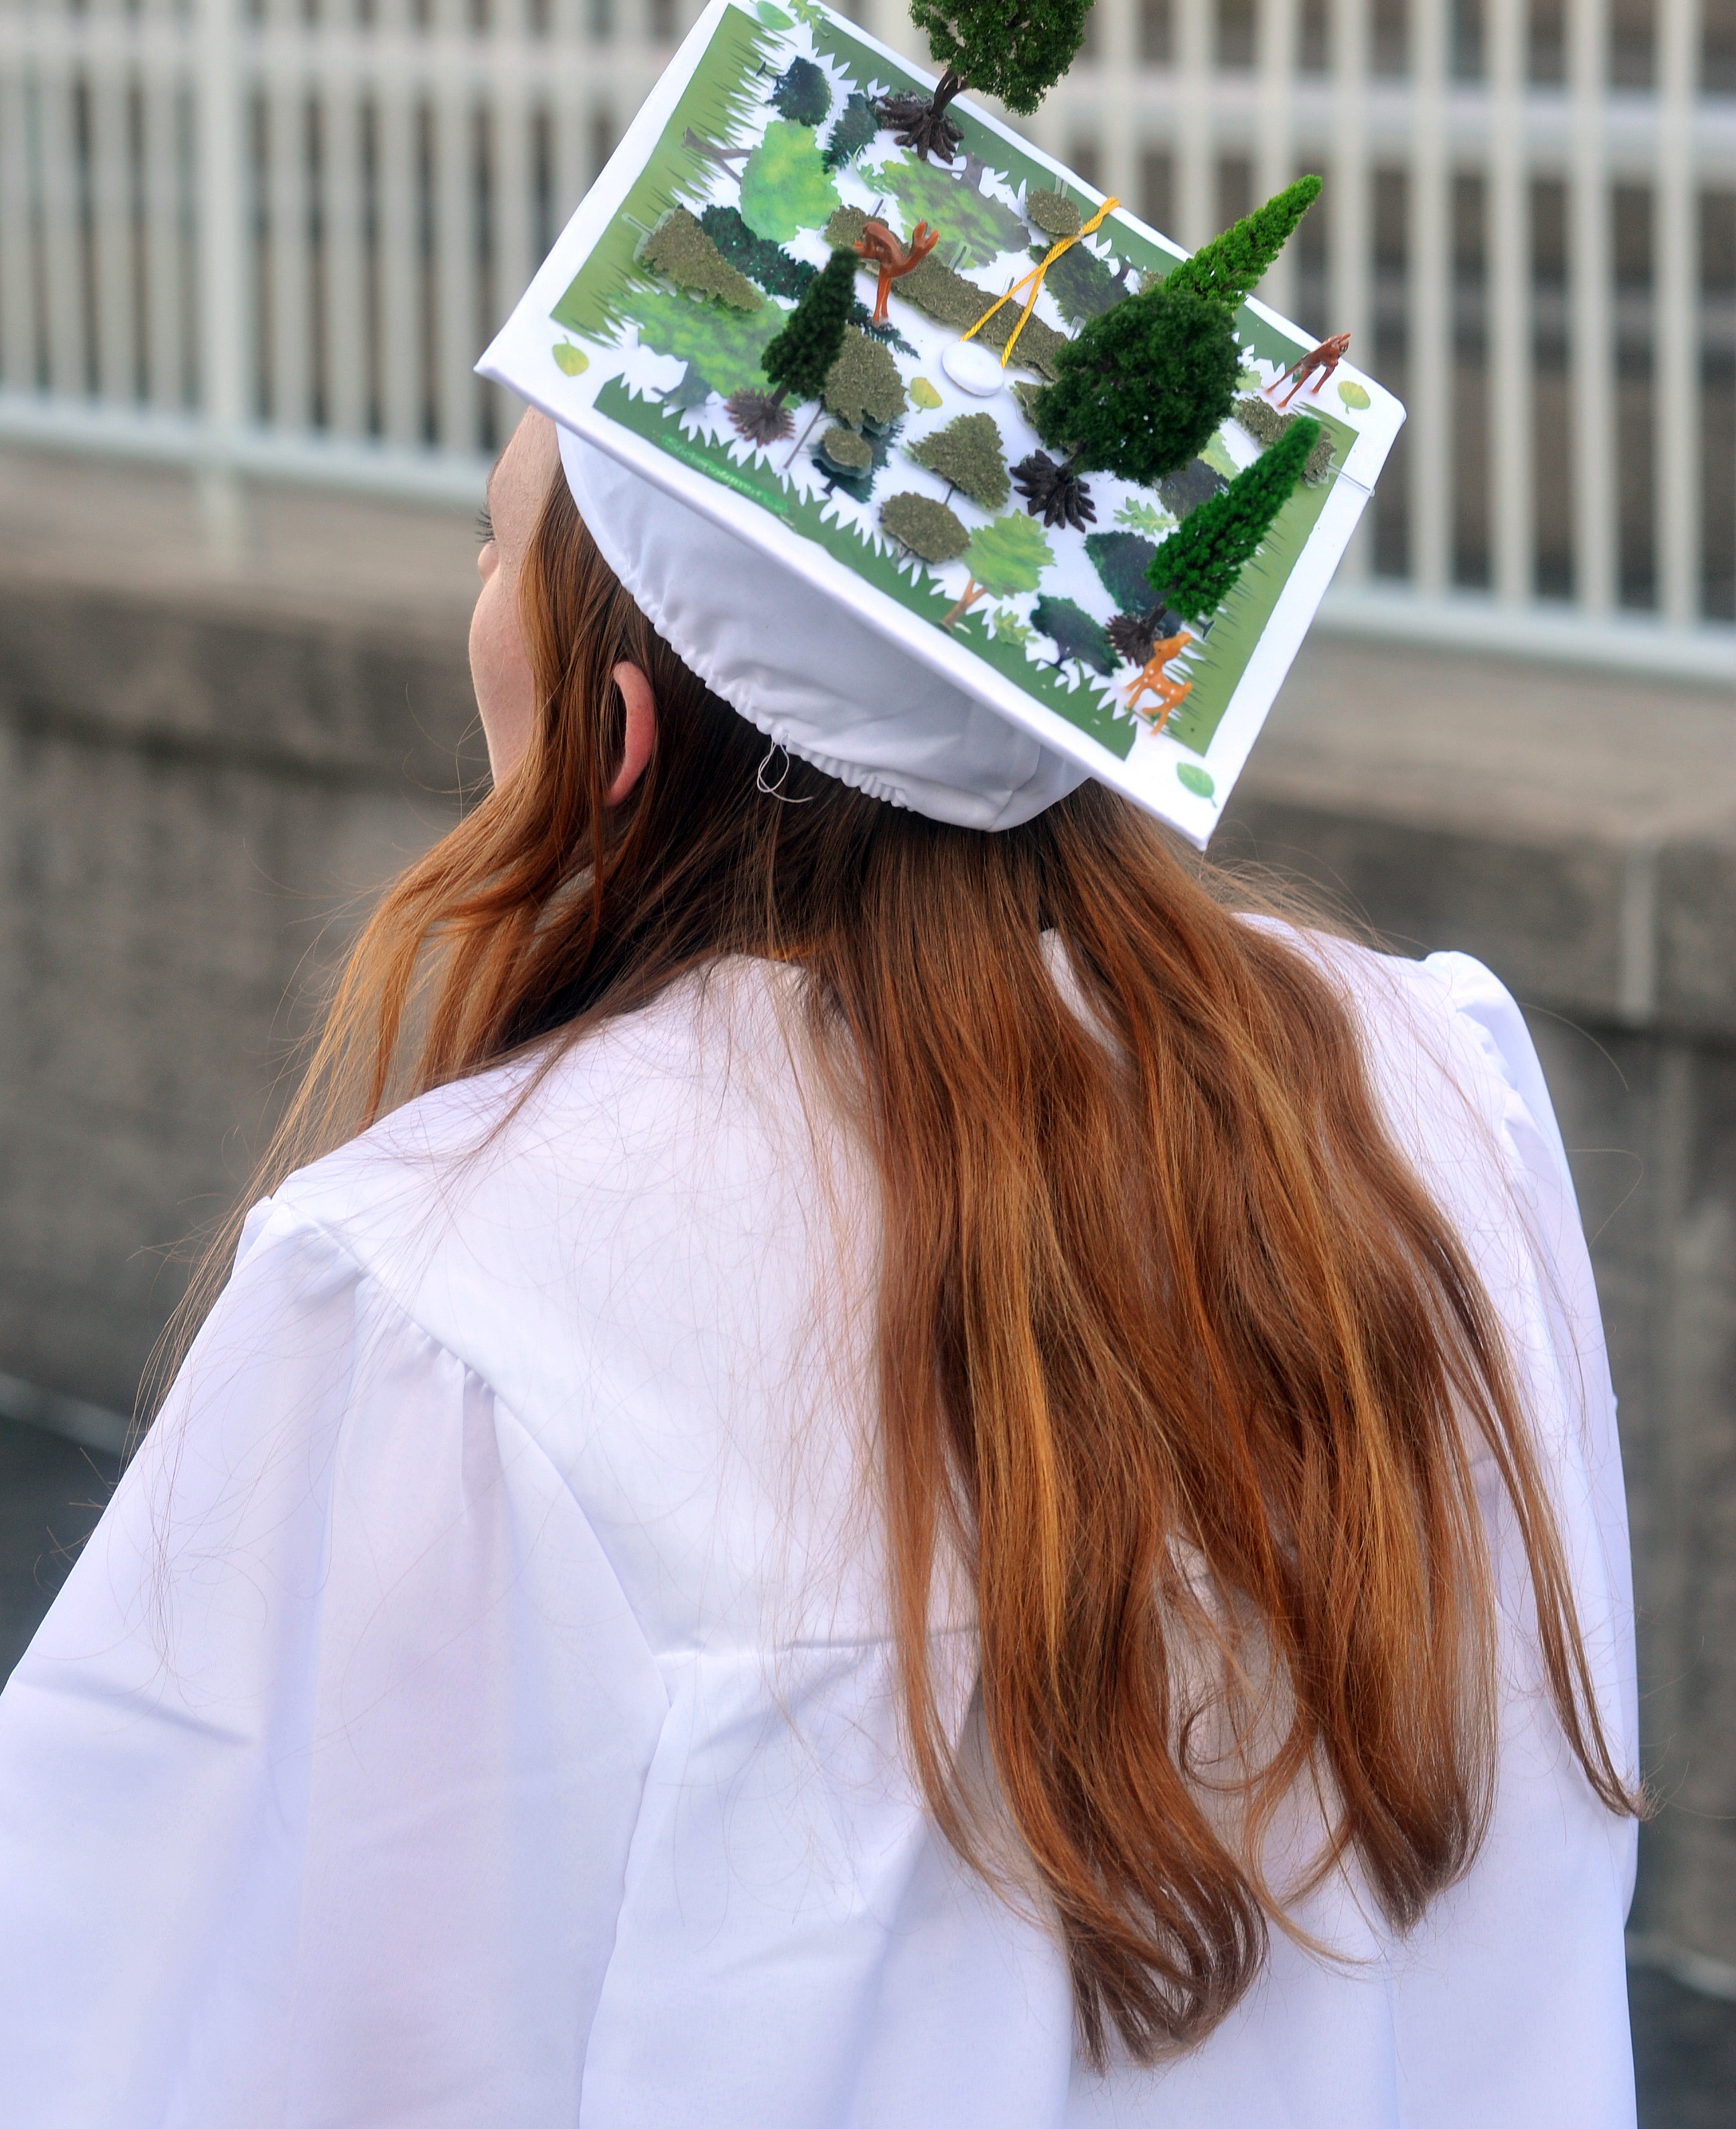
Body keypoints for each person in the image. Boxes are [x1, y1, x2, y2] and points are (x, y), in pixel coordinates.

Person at [0, 394, 1640, 2124]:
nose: (479, 584)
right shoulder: (1431, 1092)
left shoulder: (454, 1288)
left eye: (498, 544)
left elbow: (176, 2028)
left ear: (615, 731)